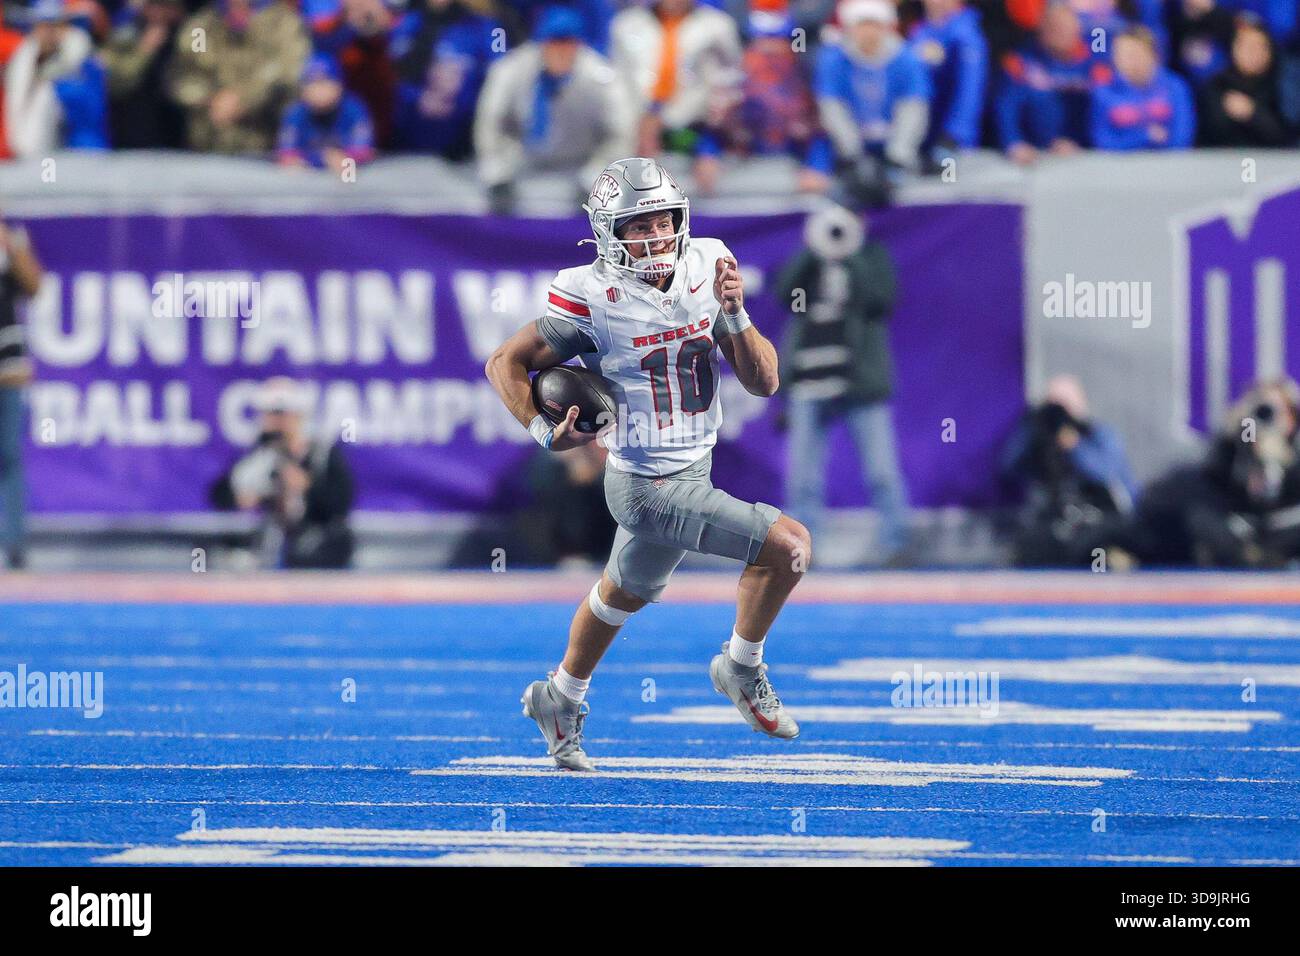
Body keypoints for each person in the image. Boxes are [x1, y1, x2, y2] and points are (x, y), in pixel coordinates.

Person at [485, 157, 811, 771]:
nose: (657, 234)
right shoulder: (593, 297)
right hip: (642, 482)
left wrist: (735, 314)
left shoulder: (706, 266)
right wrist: (538, 427)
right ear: (610, 232)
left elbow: (765, 381)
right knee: (788, 547)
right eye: (640, 225)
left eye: (664, 219)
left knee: (619, 596)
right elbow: (504, 360)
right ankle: (740, 666)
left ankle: (559, 696)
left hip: (695, 466)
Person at [774, 201, 912, 564]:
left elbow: (880, 300)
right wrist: (813, 251)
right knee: (803, 476)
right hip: (809, 381)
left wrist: (851, 253)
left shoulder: (872, 255)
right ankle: (804, 548)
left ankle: (897, 544)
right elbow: (785, 295)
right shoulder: (811, 258)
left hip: (858, 383)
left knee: (881, 469)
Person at [473, 5, 634, 213]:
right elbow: (490, 123)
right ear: (541, 43)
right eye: (553, 42)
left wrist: (596, 179)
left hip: (580, 164)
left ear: (579, 44)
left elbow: (621, 134)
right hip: (522, 164)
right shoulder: (510, 70)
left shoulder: (602, 78)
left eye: (567, 43)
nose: (560, 50)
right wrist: (496, 174)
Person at [210, 377, 356, 569]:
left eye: (281, 414)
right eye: (269, 414)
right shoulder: (259, 455)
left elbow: (341, 504)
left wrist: (307, 487)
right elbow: (219, 493)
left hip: (315, 546)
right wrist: (243, 497)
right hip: (272, 544)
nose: (276, 422)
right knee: (216, 556)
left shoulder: (322, 454)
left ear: (298, 416)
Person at [1000, 374, 1138, 567]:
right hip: (1058, 520)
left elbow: (1105, 473)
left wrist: (1075, 445)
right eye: (1055, 404)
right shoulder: (1040, 437)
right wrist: (1032, 428)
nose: (1061, 411)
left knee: (1097, 546)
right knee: (1032, 545)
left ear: (1081, 404)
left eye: (1065, 404)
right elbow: (1008, 467)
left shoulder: (1099, 434)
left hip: (1100, 518)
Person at [610, 0, 744, 195]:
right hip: (633, 135)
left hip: (695, 134)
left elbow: (727, 88)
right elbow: (618, 87)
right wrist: (638, 127)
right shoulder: (626, 25)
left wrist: (708, 147)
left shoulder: (717, 27)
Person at [814, 0, 930, 201]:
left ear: (887, 26)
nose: (868, 32)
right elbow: (832, 108)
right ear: (850, 28)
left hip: (893, 146)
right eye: (862, 25)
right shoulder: (833, 59)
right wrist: (852, 153)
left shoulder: (906, 59)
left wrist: (898, 156)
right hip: (847, 150)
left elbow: (913, 109)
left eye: (874, 25)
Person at [168, 0, 310, 155]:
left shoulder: (284, 24)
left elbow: (290, 72)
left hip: (265, 143)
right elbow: (183, 73)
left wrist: (244, 99)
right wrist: (211, 98)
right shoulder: (201, 28)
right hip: (206, 143)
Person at [996, 2, 1109, 163]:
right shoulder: (1020, 63)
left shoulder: (1096, 66)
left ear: (1077, 29)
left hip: (1082, 153)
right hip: (1032, 152)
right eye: (1053, 27)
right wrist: (1013, 143)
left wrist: (1078, 141)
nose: (1059, 33)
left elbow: (1104, 112)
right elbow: (1006, 108)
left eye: (1065, 27)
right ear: (1041, 28)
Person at [4, 0, 108, 157]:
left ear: (63, 26)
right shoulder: (23, 60)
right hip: (29, 156)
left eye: (53, 24)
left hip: (76, 154)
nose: (48, 31)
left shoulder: (82, 60)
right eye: (42, 25)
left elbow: (90, 117)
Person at [0, 220, 44, 571]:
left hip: (8, 367)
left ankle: (13, 544)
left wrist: (12, 247)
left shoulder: (12, 240)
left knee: (10, 455)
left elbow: (35, 286)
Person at [1091, 25, 1196, 150]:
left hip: (1168, 163)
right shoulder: (1104, 91)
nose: (1128, 60)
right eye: (1122, 54)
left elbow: (1182, 136)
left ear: (1153, 54)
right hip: (1121, 165)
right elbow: (1103, 141)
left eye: (1135, 53)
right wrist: (1144, 136)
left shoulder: (1175, 86)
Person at [103, 0, 186, 149]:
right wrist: (144, 50)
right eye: (154, 6)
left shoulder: (189, 33)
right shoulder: (125, 32)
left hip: (177, 132)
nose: (159, 13)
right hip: (132, 132)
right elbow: (116, 81)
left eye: (166, 7)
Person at [1199, 16, 1294, 146]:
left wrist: (1253, 113)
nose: (1254, 54)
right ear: (1234, 49)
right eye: (1248, 47)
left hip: (1272, 162)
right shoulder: (1218, 85)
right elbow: (1210, 133)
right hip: (1224, 161)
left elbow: (1287, 134)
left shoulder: (1282, 84)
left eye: (1260, 47)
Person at [277, 54, 376, 172]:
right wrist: (322, 159)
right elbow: (286, 154)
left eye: (324, 82)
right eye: (310, 83)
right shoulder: (295, 114)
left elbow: (363, 152)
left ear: (339, 86)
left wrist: (346, 159)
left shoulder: (354, 110)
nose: (318, 90)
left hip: (346, 180)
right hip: (309, 182)